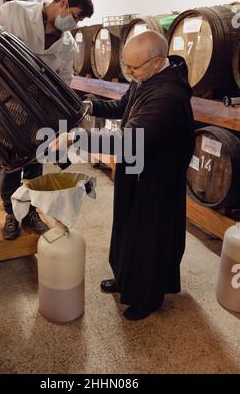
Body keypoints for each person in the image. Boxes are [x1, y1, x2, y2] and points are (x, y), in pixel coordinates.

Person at [49, 30, 195, 320]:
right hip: (135, 171)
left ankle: (146, 298)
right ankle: (126, 279)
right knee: (127, 230)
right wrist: (91, 105)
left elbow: (129, 139)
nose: (128, 72)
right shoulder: (146, 79)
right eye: (125, 65)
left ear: (157, 62)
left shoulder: (168, 96)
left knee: (148, 239)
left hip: (156, 180)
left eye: (134, 67)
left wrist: (79, 137)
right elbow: (124, 107)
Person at [0, 0, 94, 240]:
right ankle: (11, 213)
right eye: (74, 15)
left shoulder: (67, 44)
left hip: (39, 111)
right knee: (10, 163)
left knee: (36, 162)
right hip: (6, 105)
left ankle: (30, 213)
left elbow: (65, 79)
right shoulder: (15, 12)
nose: (74, 23)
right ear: (62, 2)